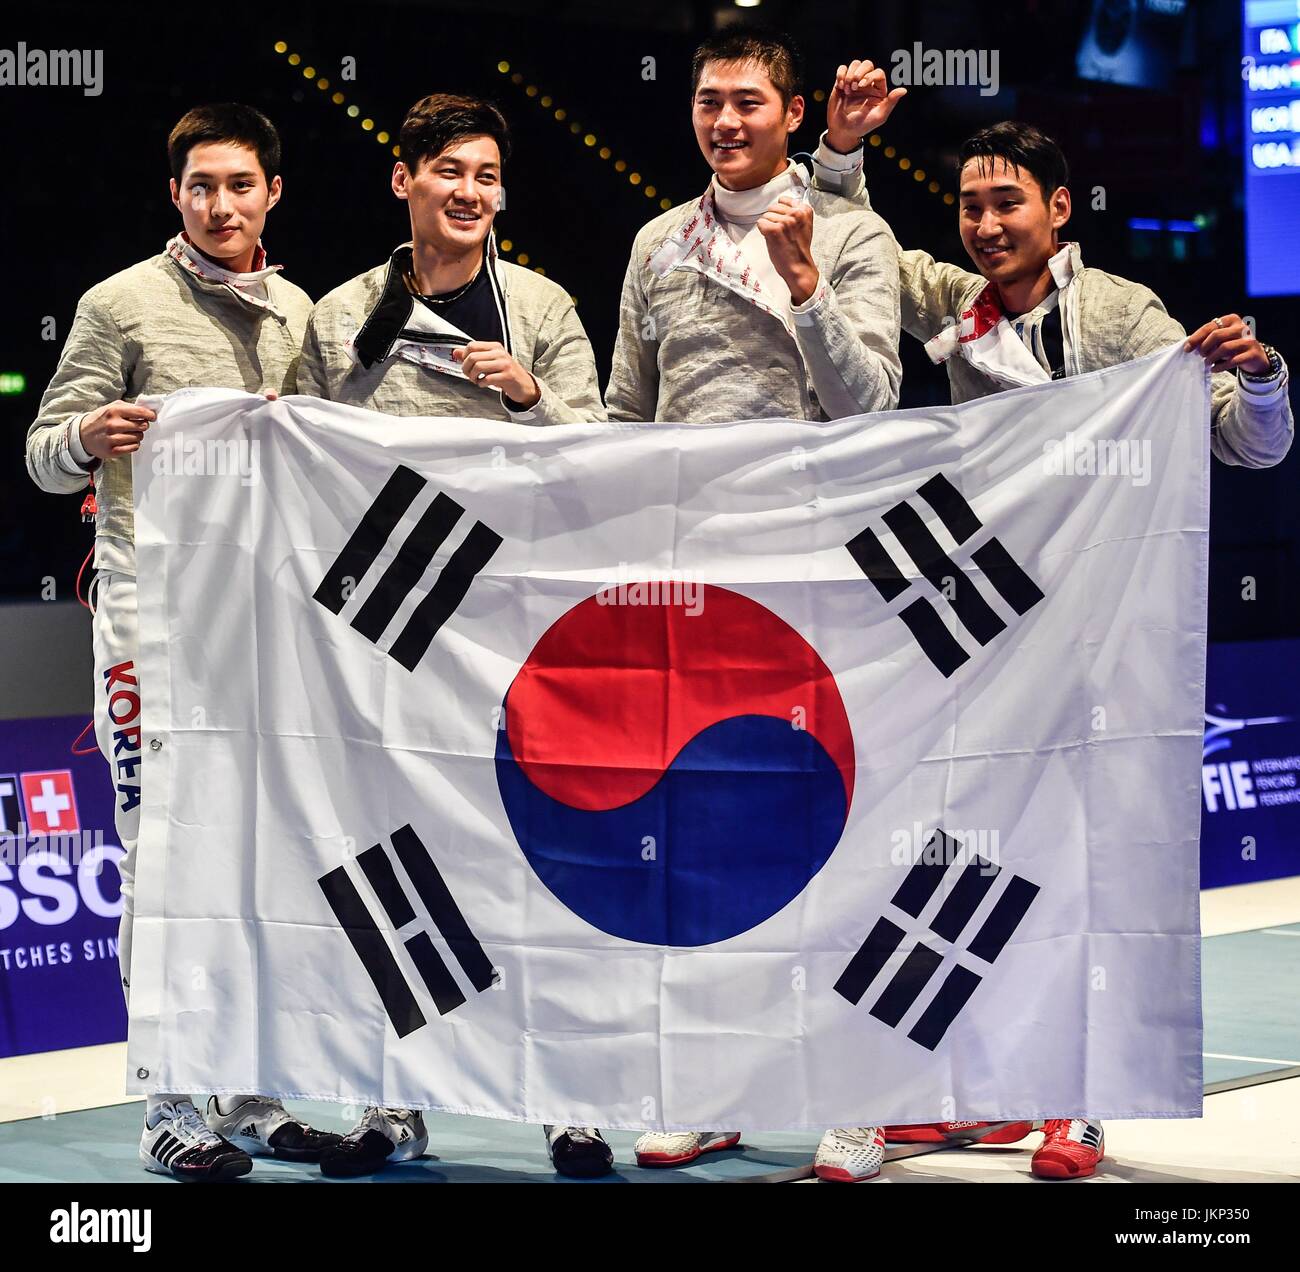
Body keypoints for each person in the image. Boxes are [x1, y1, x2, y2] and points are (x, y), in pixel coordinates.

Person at [814, 67, 1294, 1179]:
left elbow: (1249, 441)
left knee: (1086, 866)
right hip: (964, 630)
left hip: (1095, 638)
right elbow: (859, 252)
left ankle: (1076, 1097)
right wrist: (842, 152)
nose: (984, 225)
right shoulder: (942, 304)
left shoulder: (1122, 313)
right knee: (931, 853)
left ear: (1058, 210)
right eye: (971, 207)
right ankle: (919, 1088)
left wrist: (1258, 372)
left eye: (1006, 205)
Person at [604, 27, 903, 1182]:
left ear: (790, 114)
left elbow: (871, 405)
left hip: (817, 578)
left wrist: (806, 287)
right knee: (701, 843)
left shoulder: (854, 233)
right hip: (690, 588)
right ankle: (715, 1087)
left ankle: (859, 1092)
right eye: (708, 102)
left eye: (747, 103)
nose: (725, 122)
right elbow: (627, 417)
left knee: (833, 837)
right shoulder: (651, 245)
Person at [297, 92, 610, 1180]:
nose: (470, 191)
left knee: (534, 859)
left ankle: (569, 1101)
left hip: (513, 628)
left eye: (485, 174)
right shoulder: (337, 317)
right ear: (404, 181)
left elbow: (607, 453)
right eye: (448, 172)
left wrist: (531, 397)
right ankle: (392, 1104)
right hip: (381, 639)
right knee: (389, 868)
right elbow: (294, 460)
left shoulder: (541, 306)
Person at [25, 103, 339, 1180]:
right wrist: (85, 436)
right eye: (201, 185)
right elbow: (40, 454)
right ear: (176, 195)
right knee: (162, 854)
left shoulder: (298, 311)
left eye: (240, 185)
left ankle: (249, 1087)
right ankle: (167, 1097)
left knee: (254, 855)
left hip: (257, 620)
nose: (220, 204)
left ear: (271, 195)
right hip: (147, 614)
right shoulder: (119, 304)